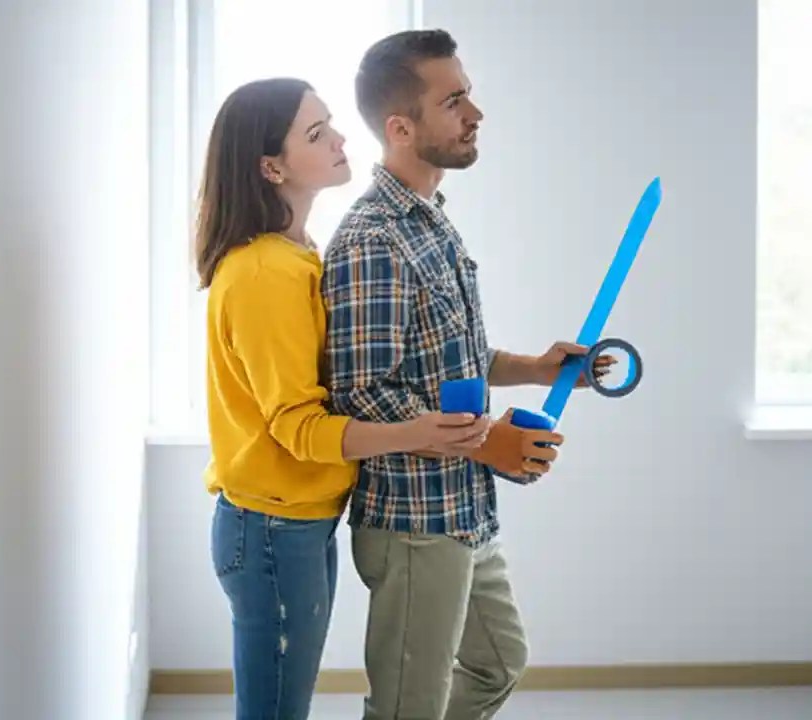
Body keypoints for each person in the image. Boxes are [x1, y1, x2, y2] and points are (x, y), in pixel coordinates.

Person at [322, 30, 614, 719]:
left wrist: (533, 368)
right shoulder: (373, 239)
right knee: (407, 706)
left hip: (464, 511)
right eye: (453, 101)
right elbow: (363, 391)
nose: (475, 113)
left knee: (498, 663)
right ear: (401, 128)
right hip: (414, 523)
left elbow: (451, 359)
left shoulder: (431, 224)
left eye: (469, 95)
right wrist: (488, 443)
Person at [195, 77, 493, 720]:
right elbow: (298, 426)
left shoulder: (299, 256)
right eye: (314, 133)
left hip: (293, 520)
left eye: (330, 123)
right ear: (271, 167)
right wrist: (418, 432)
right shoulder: (267, 272)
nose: (338, 138)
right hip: (273, 528)